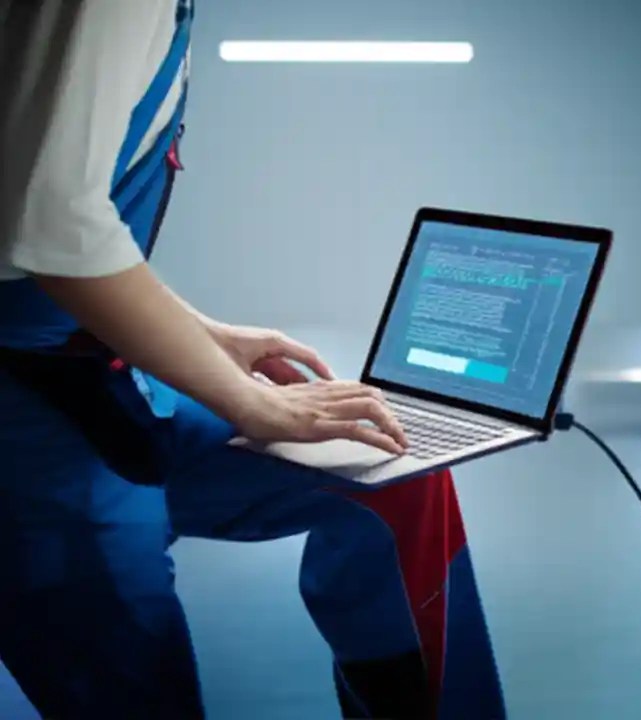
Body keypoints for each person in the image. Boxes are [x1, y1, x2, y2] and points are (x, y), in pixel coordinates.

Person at [0, 2, 506, 717]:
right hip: (28, 423)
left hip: (91, 378)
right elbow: (48, 225)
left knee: (394, 479)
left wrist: (205, 337)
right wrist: (253, 402)